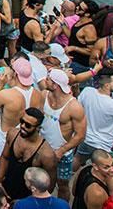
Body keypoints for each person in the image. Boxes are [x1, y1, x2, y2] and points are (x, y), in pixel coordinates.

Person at [40, 68, 86, 199]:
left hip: (63, 154)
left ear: (55, 85)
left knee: (63, 185)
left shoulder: (74, 107)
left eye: (48, 79)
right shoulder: (44, 95)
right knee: (39, 181)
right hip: (42, 149)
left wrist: (62, 150)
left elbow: (80, 135)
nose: (45, 80)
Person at [0, 107, 57, 201]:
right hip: (6, 189)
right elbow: (5, 157)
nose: (23, 126)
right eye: (22, 121)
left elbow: (49, 185)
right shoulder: (12, 134)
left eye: (28, 125)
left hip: (28, 198)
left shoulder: (46, 154)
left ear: (38, 128)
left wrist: (31, 201)